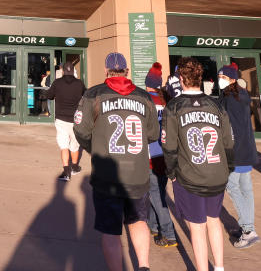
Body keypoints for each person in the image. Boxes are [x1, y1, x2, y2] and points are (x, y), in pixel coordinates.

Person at [73, 52, 158, 271]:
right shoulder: (144, 97)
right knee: (138, 221)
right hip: (137, 171)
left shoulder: (94, 94)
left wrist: (95, 149)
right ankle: (144, 266)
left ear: (105, 70)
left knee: (111, 230)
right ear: (127, 71)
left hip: (107, 174)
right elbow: (152, 133)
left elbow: (81, 131)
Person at [163, 57, 235, 271]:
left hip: (190, 176)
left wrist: (171, 172)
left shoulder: (174, 107)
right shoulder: (216, 104)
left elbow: (169, 145)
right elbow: (229, 142)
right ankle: (220, 267)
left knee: (197, 227)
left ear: (182, 78)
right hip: (216, 173)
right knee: (214, 220)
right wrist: (227, 168)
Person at [219, 65, 259, 248]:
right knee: (246, 190)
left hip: (235, 151)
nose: (220, 78)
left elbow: (226, 126)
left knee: (232, 186)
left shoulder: (227, 98)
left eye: (223, 76)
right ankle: (248, 227)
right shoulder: (243, 95)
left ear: (232, 79)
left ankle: (248, 230)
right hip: (247, 150)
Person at [143, 65, 178, 249]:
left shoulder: (145, 100)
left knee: (156, 195)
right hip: (165, 154)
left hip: (151, 153)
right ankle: (154, 226)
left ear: (148, 83)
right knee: (158, 192)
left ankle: (169, 233)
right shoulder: (166, 100)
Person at [43, 59, 84, 181]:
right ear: (73, 71)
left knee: (64, 145)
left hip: (61, 119)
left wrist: (45, 93)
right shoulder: (79, 83)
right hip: (76, 119)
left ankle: (66, 172)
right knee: (75, 145)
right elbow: (86, 96)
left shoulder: (57, 83)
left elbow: (49, 96)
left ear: (63, 71)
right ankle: (75, 167)